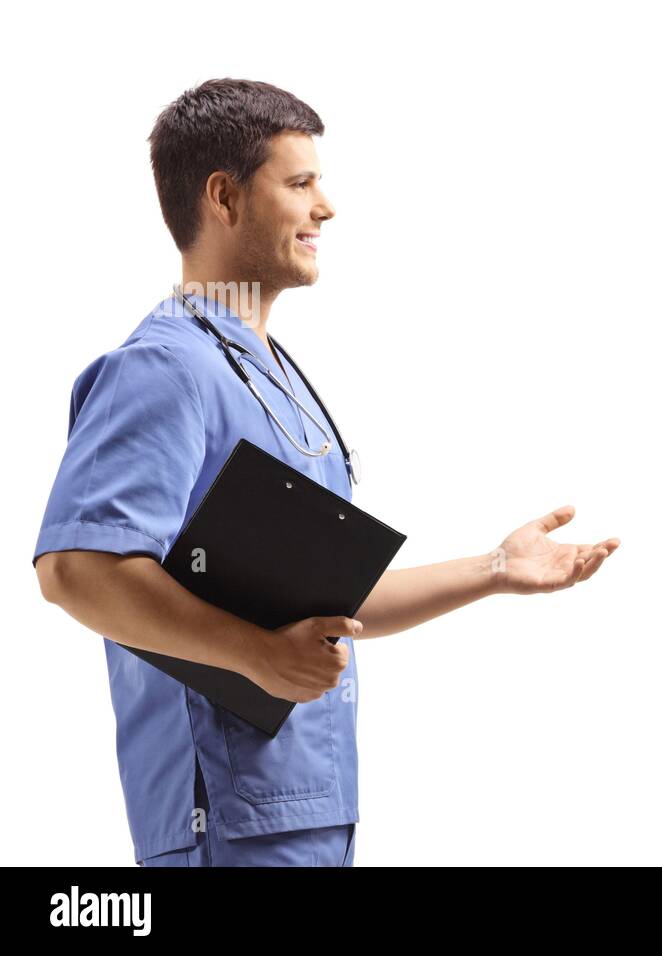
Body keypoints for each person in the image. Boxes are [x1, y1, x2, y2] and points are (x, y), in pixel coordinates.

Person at [32, 78, 619, 867]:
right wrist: (253, 653)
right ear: (224, 198)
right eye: (301, 183)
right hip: (229, 826)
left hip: (310, 815)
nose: (327, 208)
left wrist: (493, 569)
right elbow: (77, 568)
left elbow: (327, 604)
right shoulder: (163, 369)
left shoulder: (270, 375)